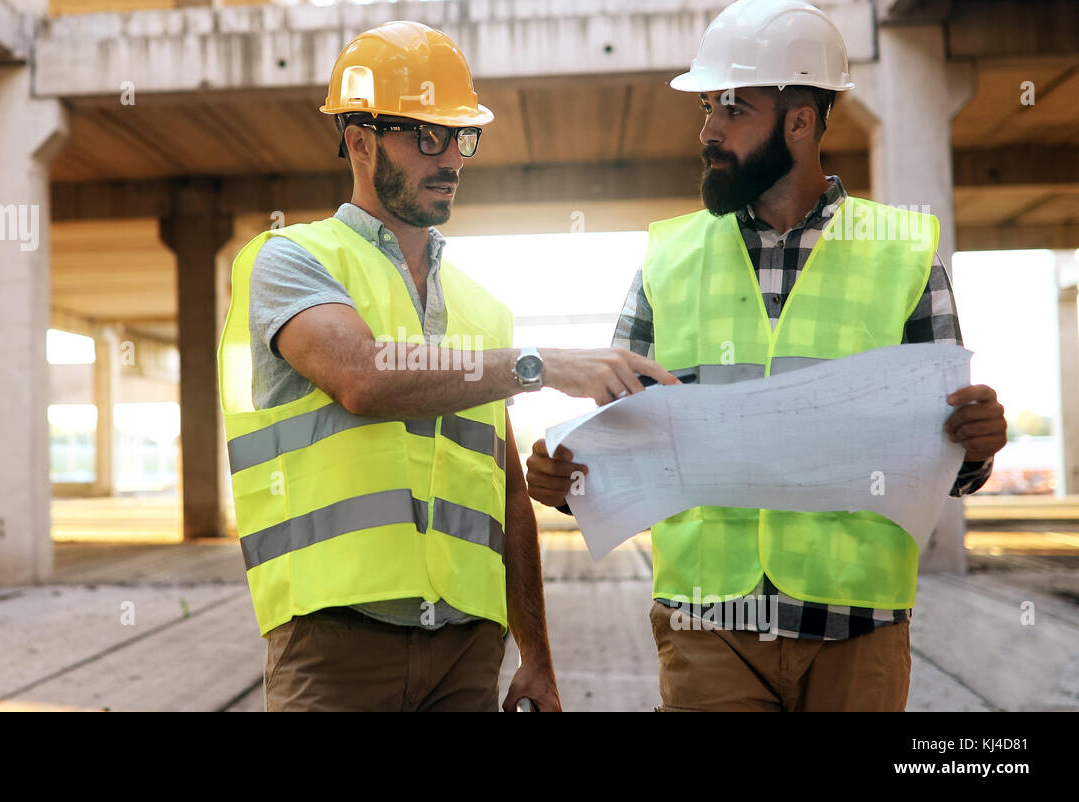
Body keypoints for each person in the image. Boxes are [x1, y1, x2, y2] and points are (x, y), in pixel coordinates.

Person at [524, 0, 1008, 712]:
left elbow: (944, 462)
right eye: (709, 108)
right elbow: (623, 441)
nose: (708, 130)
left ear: (801, 121)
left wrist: (977, 447)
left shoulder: (903, 255)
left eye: (731, 108)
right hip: (707, 626)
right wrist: (565, 479)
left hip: (856, 627)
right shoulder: (671, 257)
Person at [217, 20, 677, 712]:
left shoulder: (481, 308)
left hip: (466, 649)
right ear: (360, 140)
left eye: (462, 136)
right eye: (428, 136)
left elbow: (508, 495)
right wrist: (542, 366)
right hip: (335, 644)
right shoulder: (292, 260)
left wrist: (538, 658)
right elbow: (363, 378)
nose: (453, 158)